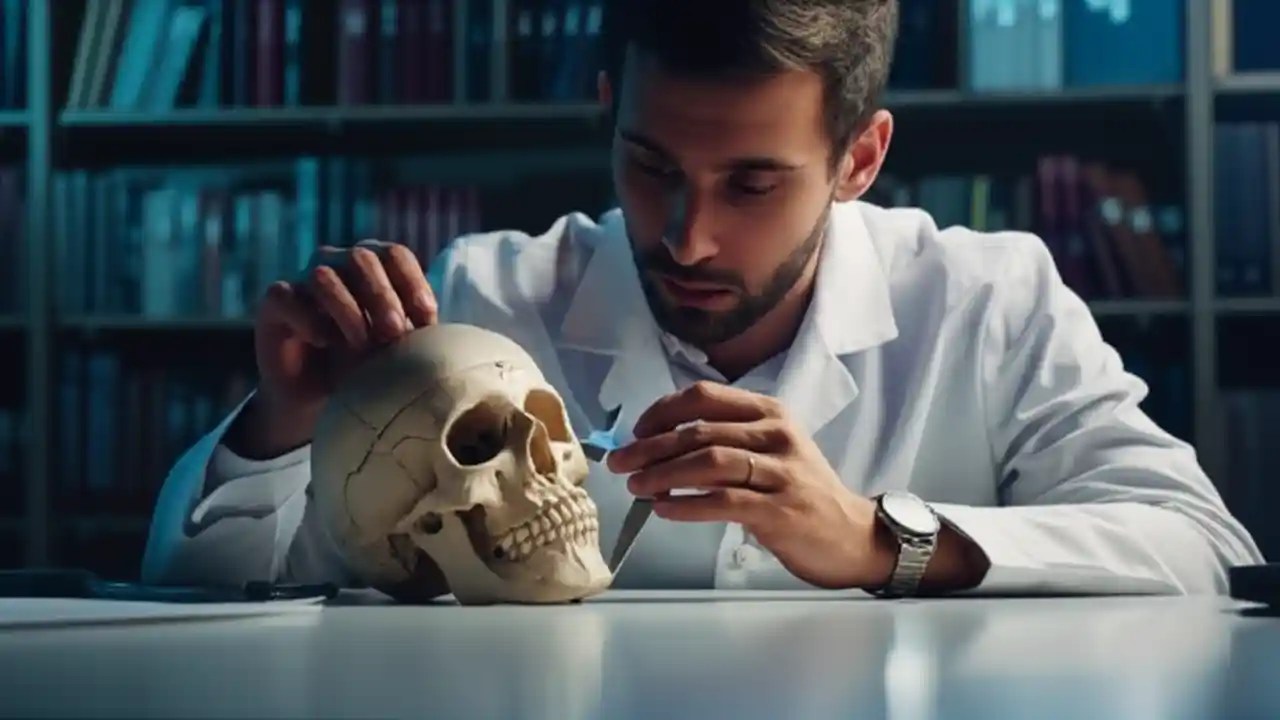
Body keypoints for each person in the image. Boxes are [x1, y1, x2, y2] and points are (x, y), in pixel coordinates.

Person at [141, 0, 1263, 598]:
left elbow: (1197, 545)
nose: (686, 235)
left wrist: (876, 539)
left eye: (753, 183)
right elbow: (214, 596)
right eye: (650, 165)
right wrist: (279, 429)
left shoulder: (988, 298)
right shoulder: (481, 300)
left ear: (860, 159)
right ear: (607, 109)